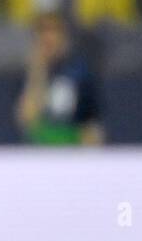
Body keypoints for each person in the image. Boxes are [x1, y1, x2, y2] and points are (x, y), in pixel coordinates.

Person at [15, 9, 103, 145]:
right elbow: (27, 119)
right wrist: (37, 71)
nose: (48, 37)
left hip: (71, 153)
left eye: (54, 31)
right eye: (42, 31)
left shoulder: (79, 72)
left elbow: (91, 129)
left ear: (64, 36)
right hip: (37, 154)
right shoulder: (28, 72)